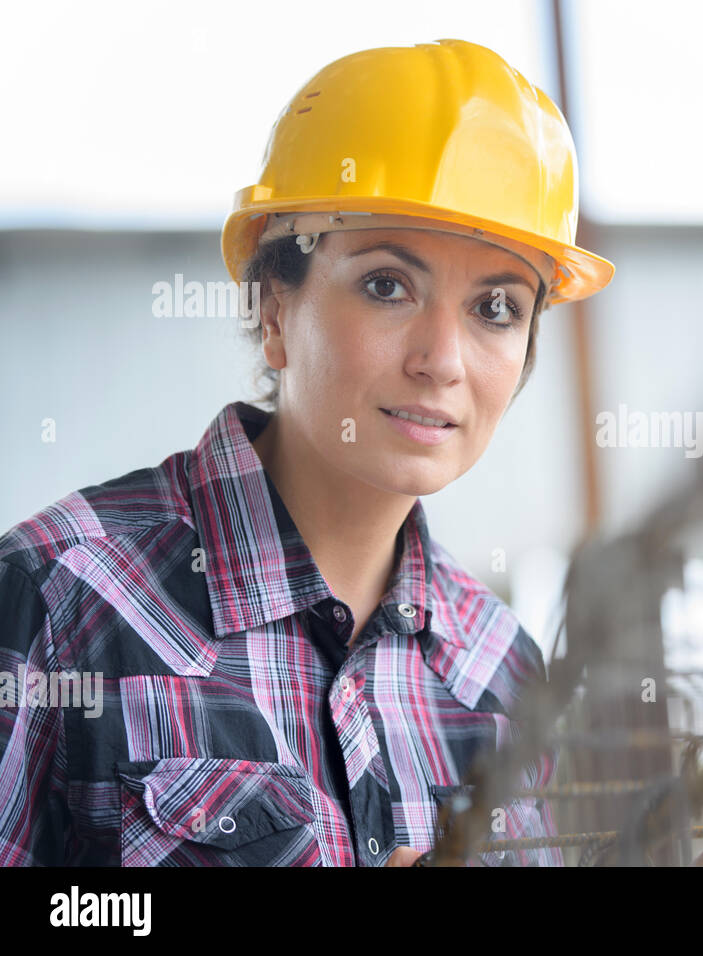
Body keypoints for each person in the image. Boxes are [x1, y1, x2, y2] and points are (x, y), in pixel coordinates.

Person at [0, 39, 613, 866]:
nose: (443, 360)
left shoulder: (505, 673)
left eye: (496, 307)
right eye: (387, 285)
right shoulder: (58, 599)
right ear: (275, 308)